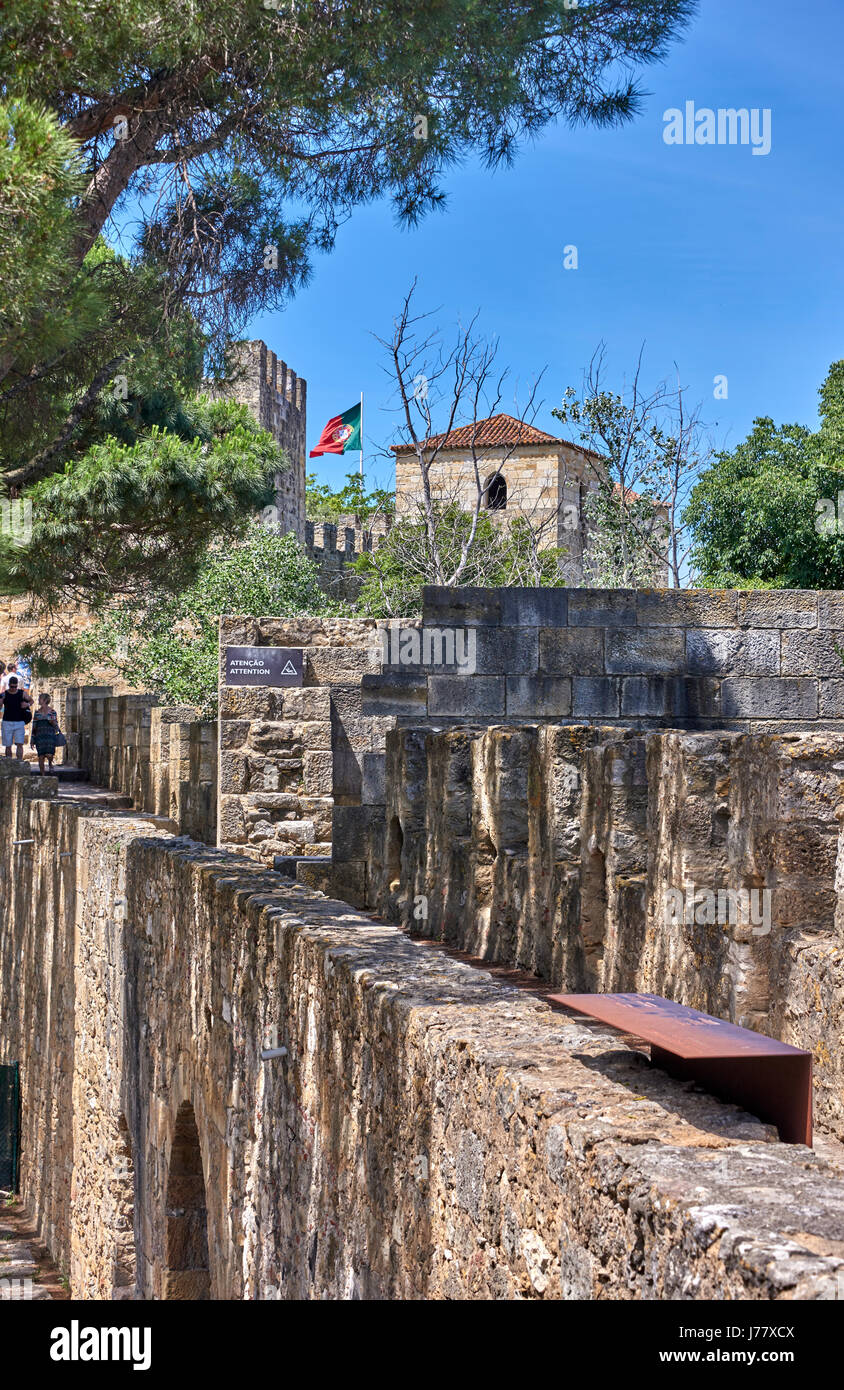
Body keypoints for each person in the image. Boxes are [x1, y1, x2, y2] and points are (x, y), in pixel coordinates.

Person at [0, 676, 33, 760]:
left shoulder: (22, 693)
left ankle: (19, 762)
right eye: (12, 686)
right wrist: (1, 701)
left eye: (15, 686)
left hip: (19, 722)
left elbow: (31, 700)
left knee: (20, 744)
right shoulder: (4, 694)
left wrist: (27, 704)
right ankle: (8, 763)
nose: (14, 688)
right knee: (8, 745)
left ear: (17, 685)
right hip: (7, 722)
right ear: (9, 685)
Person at [30, 693, 60, 775]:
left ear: (45, 700)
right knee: (41, 756)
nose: (38, 700)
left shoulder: (52, 712)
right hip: (39, 737)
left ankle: (50, 763)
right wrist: (32, 740)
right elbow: (34, 727)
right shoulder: (37, 713)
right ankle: (43, 775)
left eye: (40, 699)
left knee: (49, 755)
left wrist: (53, 722)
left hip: (50, 736)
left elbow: (56, 727)